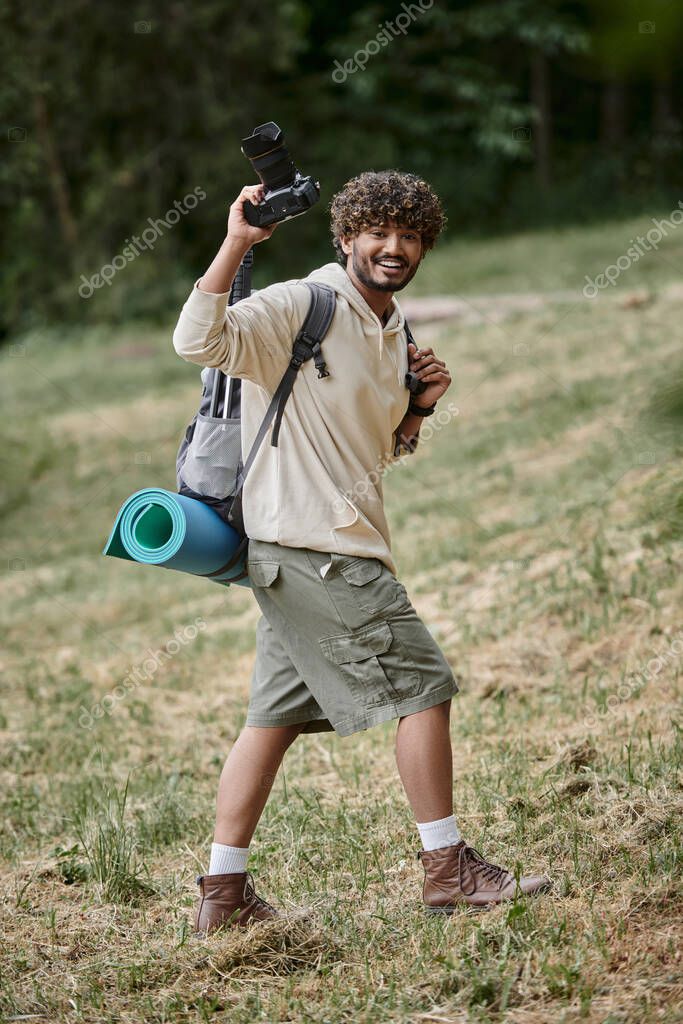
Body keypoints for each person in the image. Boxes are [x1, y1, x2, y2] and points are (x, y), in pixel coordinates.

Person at [172, 170, 551, 934]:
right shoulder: (302, 304)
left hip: (305, 549)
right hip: (319, 550)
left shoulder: (390, 325)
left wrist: (416, 410)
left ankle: (223, 895)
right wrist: (236, 242)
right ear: (345, 239)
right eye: (376, 232)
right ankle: (447, 870)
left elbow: (371, 449)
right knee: (425, 688)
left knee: (270, 721)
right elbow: (196, 340)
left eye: (409, 235)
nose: (393, 247)